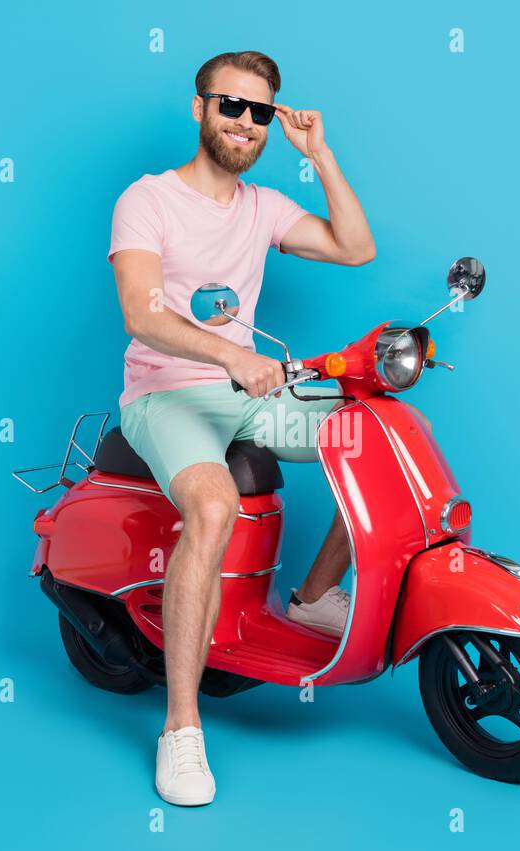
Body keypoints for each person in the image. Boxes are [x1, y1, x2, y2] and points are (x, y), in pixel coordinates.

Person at [106, 51, 376, 806]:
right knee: (215, 505)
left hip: (251, 389)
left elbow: (357, 248)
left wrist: (318, 155)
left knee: (378, 445)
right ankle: (182, 730)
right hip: (165, 394)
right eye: (232, 106)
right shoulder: (148, 199)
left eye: (260, 113)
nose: (246, 123)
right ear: (199, 109)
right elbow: (141, 311)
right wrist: (230, 354)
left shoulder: (262, 208)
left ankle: (315, 597)